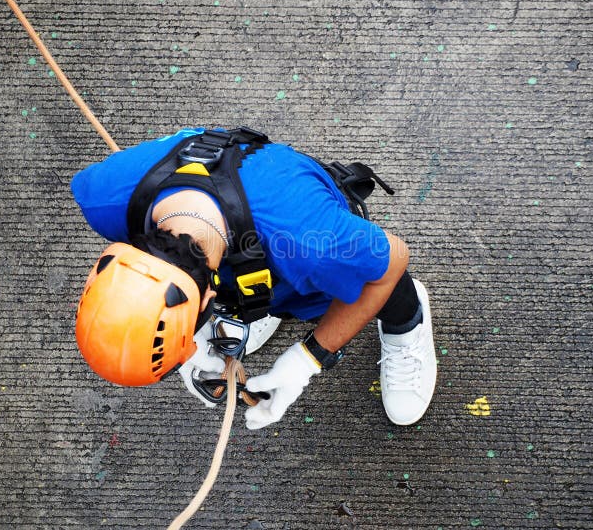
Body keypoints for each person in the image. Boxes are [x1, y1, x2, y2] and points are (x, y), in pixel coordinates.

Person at [71, 127, 436, 428]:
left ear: (210, 303)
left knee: (368, 281)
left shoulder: (310, 242)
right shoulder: (102, 196)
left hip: (289, 215)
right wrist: (182, 336)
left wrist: (310, 357)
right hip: (249, 222)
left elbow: (394, 259)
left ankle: (408, 321)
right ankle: (262, 303)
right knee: (265, 284)